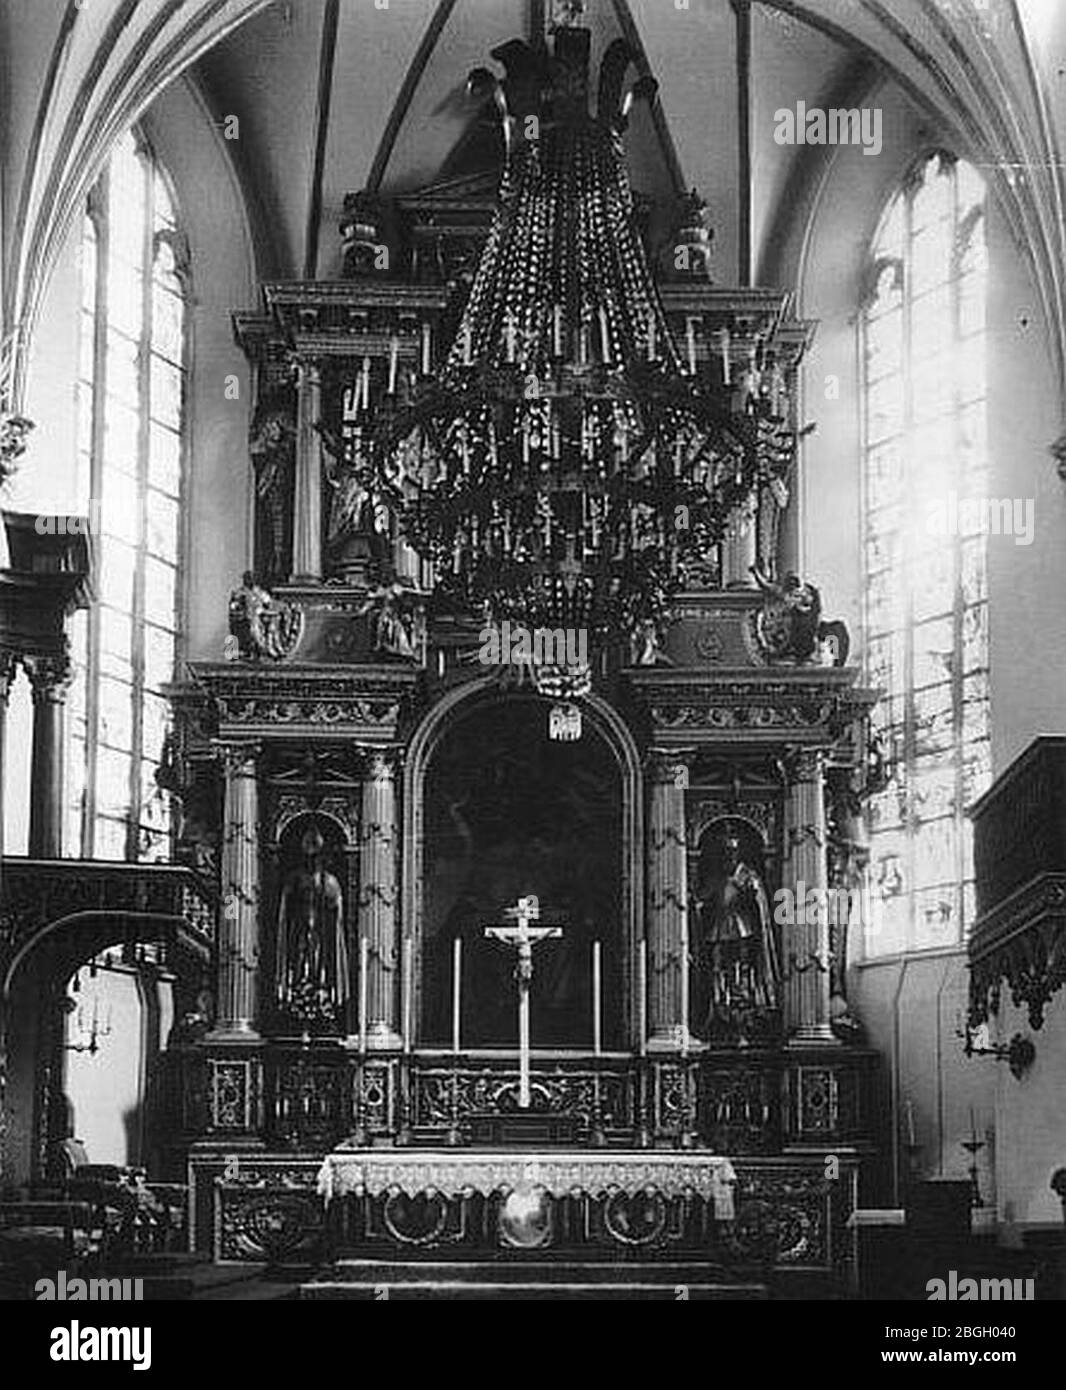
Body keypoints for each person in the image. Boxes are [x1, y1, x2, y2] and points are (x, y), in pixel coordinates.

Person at [275, 825, 349, 1030]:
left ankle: (323, 999)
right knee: (298, 963)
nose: (313, 861)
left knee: (319, 964)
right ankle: (295, 997)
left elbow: (337, 913)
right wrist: (231, 910)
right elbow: (284, 909)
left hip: (322, 934)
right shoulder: (294, 878)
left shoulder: (331, 881)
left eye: (317, 857)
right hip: (298, 932)